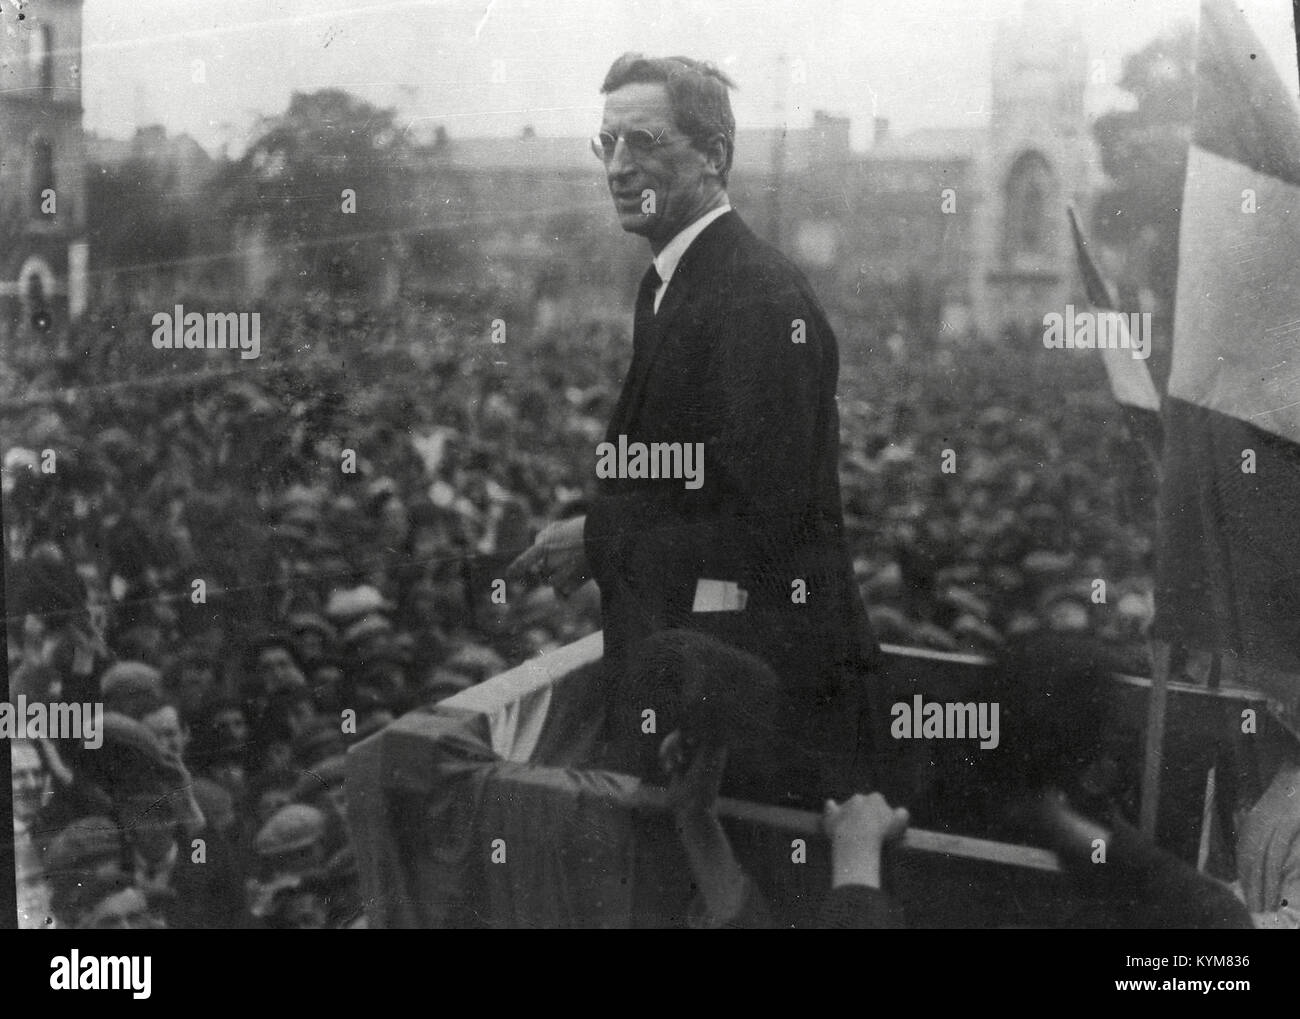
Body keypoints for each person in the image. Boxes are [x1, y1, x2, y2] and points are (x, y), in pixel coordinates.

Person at [510, 53, 877, 801]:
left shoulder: (756, 298)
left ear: (715, 155)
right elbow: (692, 485)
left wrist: (598, 538)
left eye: (643, 142)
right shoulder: (669, 283)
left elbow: (766, 528)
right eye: (606, 143)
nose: (618, 166)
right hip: (706, 695)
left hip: (759, 716)